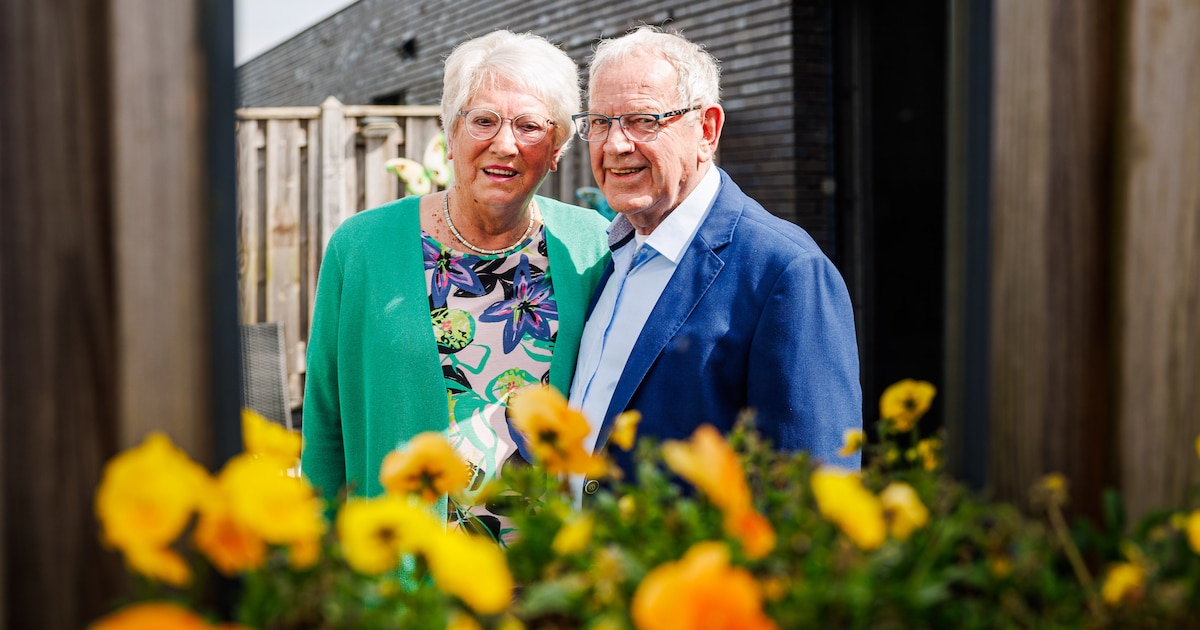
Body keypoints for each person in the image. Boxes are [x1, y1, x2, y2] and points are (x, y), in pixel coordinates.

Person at [301, 30, 611, 539]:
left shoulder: (592, 244)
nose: (505, 144)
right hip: (408, 580)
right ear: (451, 132)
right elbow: (324, 422)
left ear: (556, 148)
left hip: (550, 578)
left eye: (530, 126)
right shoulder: (360, 247)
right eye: (483, 120)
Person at [568, 26, 863, 492]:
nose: (615, 145)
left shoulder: (786, 272)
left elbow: (814, 494)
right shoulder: (609, 255)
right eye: (600, 122)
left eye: (643, 120)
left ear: (706, 130)